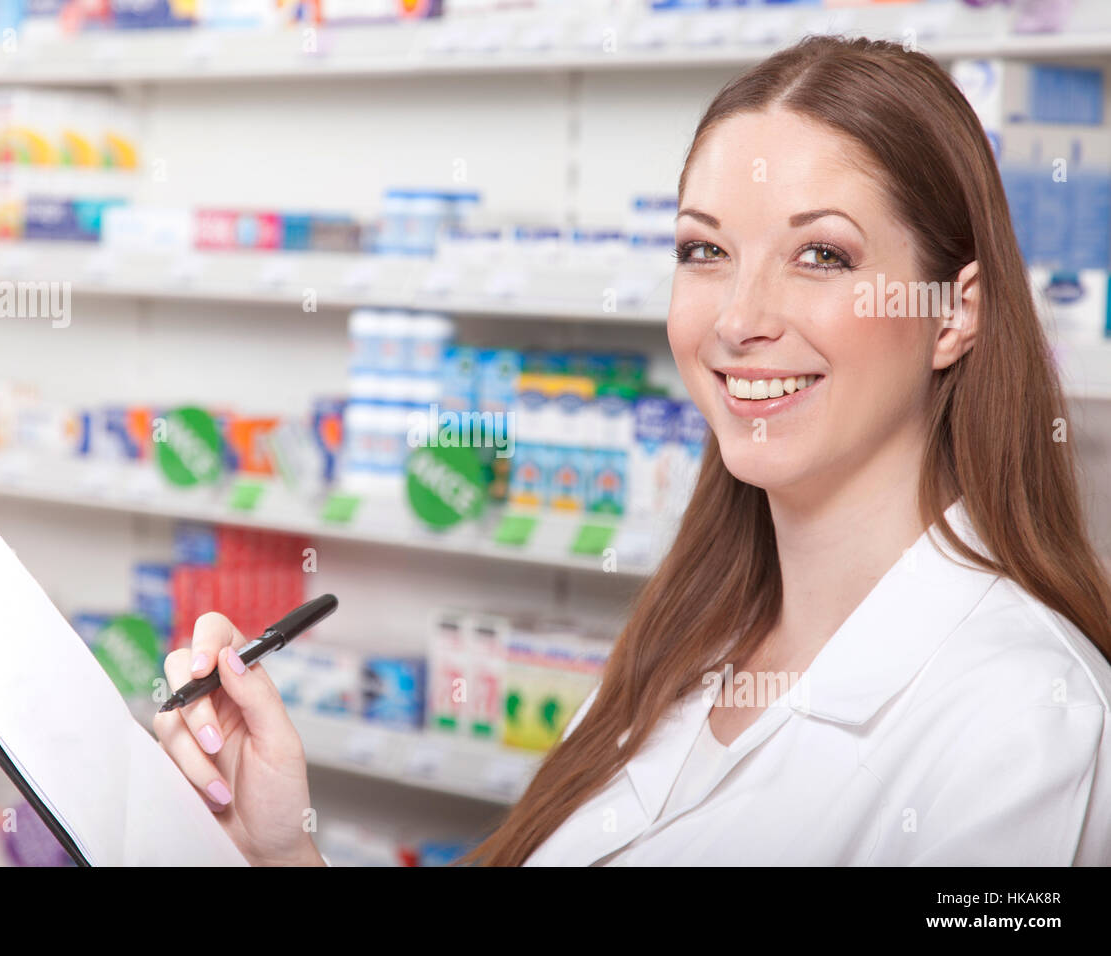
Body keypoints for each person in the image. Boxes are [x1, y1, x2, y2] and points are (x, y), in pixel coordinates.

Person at [154, 34, 1111, 866]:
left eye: (822, 255)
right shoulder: (681, 641)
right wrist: (280, 850)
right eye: (705, 251)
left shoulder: (1027, 721)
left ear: (954, 314)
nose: (740, 318)